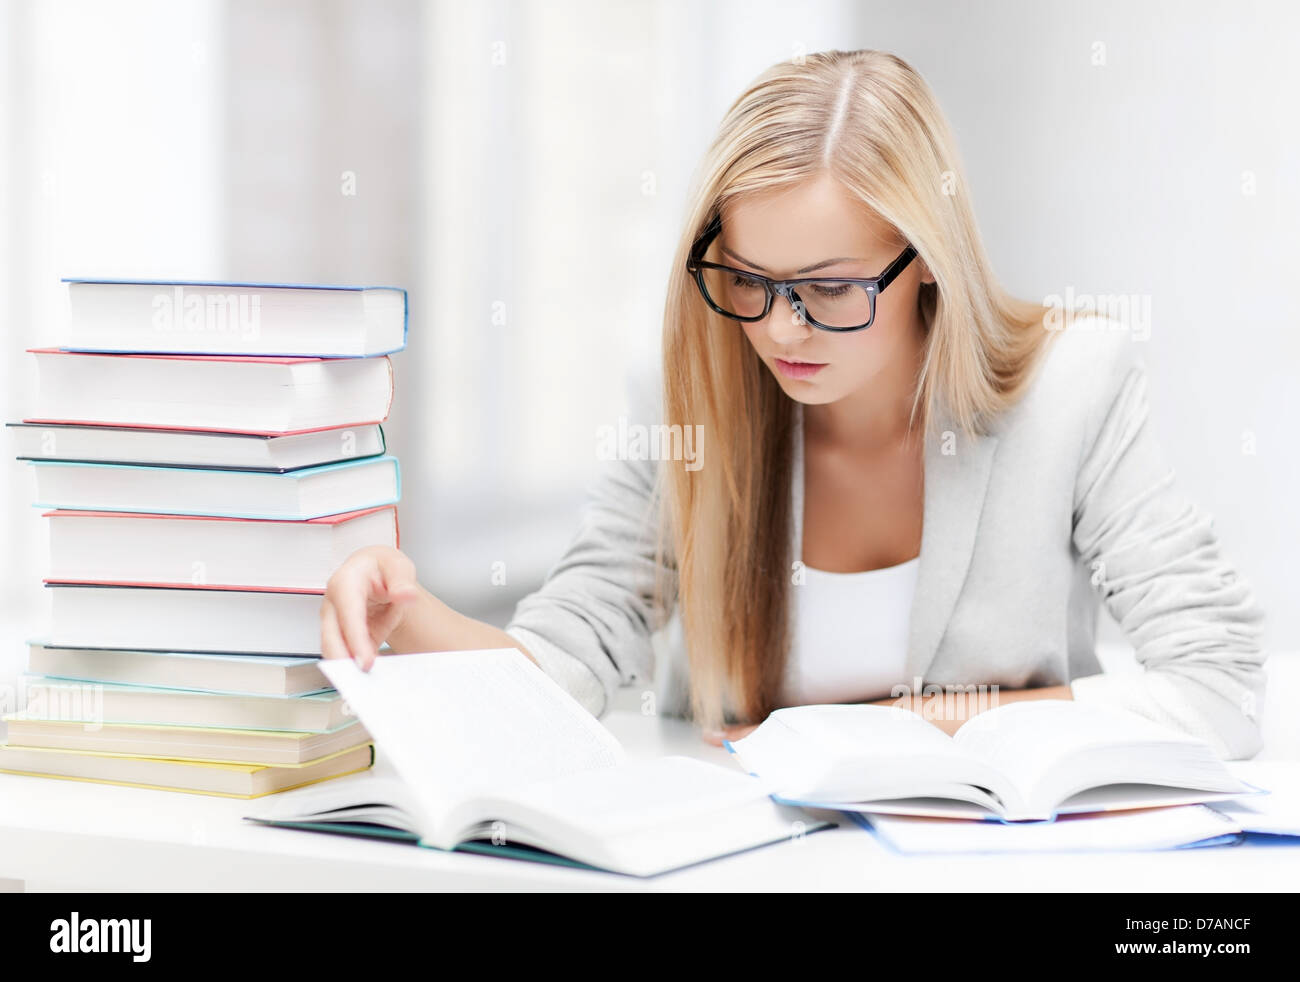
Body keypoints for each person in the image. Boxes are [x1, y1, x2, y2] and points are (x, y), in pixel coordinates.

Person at [320, 49, 1266, 759]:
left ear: (927, 267)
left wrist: (916, 725)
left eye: (828, 289)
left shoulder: (1072, 387)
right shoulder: (688, 397)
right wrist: (405, 609)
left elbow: (1218, 691)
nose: (779, 332)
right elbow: (565, 660)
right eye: (748, 280)